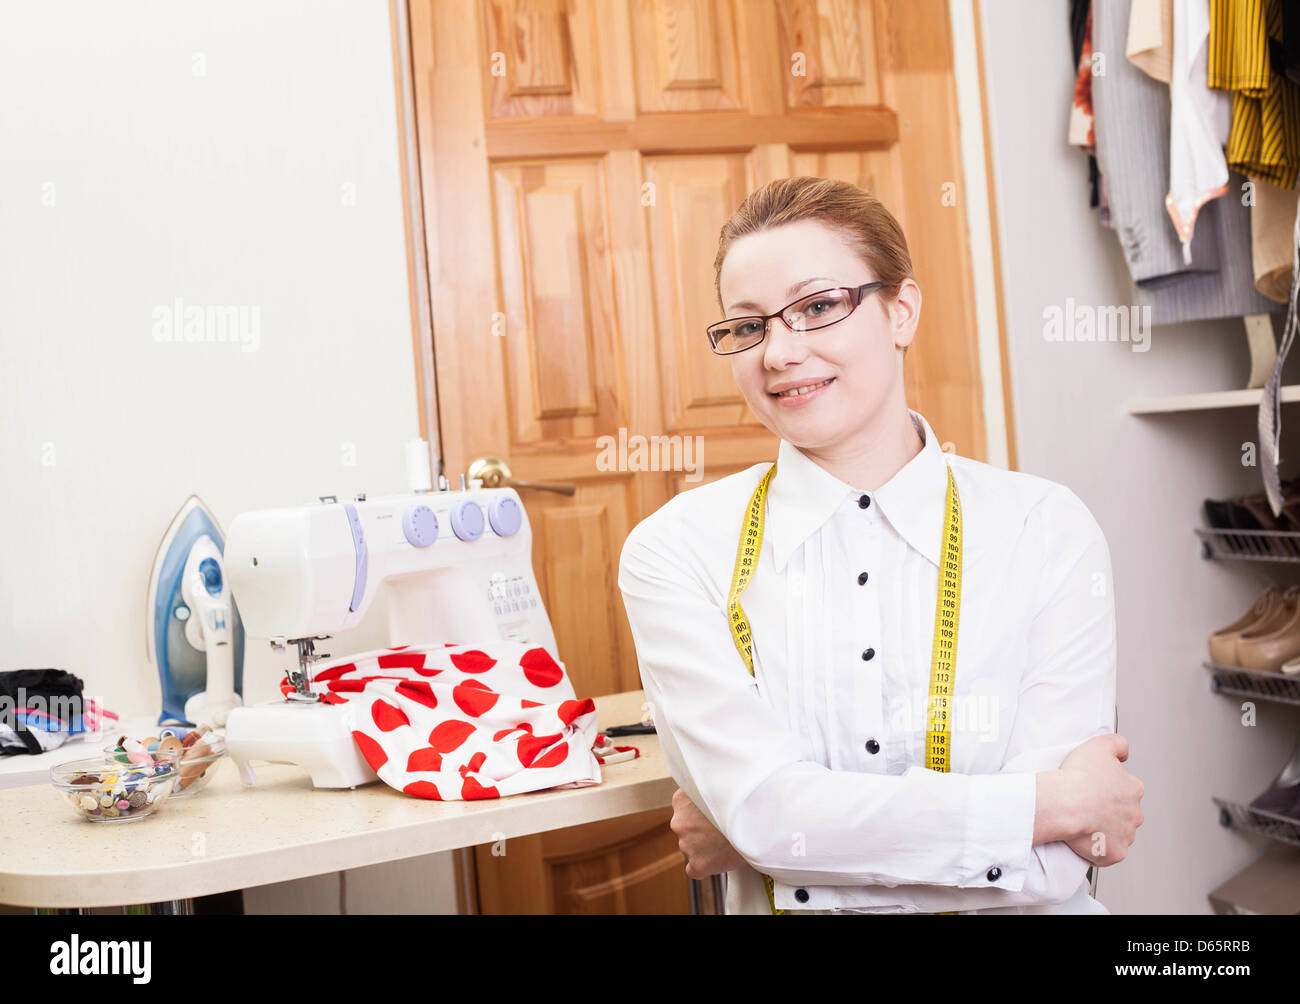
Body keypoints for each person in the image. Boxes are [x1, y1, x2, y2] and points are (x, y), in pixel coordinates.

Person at [616, 176, 1144, 915]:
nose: (779, 352)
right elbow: (768, 815)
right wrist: (1042, 805)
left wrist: (774, 845)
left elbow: (1060, 864)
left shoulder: (1046, 528)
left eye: (819, 307)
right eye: (748, 327)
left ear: (902, 311)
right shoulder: (675, 551)